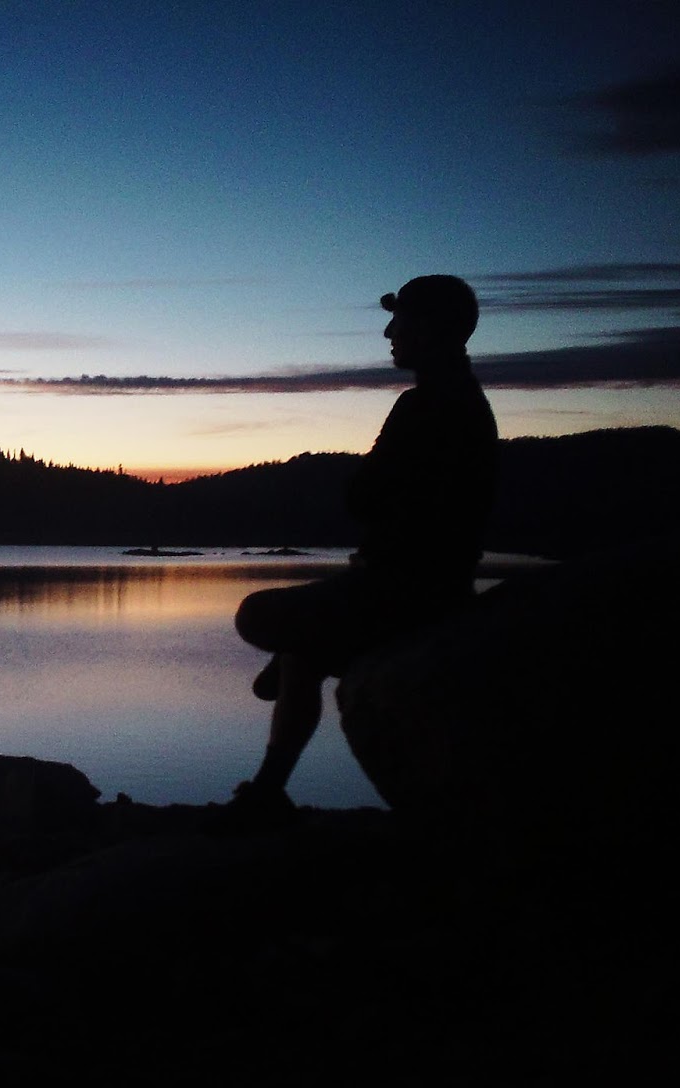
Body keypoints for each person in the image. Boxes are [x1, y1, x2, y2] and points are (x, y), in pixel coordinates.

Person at [210, 274, 498, 832]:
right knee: (300, 654)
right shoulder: (464, 400)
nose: (390, 332)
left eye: (401, 321)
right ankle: (269, 790)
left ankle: (270, 784)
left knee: (257, 614)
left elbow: (365, 497)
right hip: (426, 585)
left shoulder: (427, 406)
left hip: (407, 593)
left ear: (432, 329)